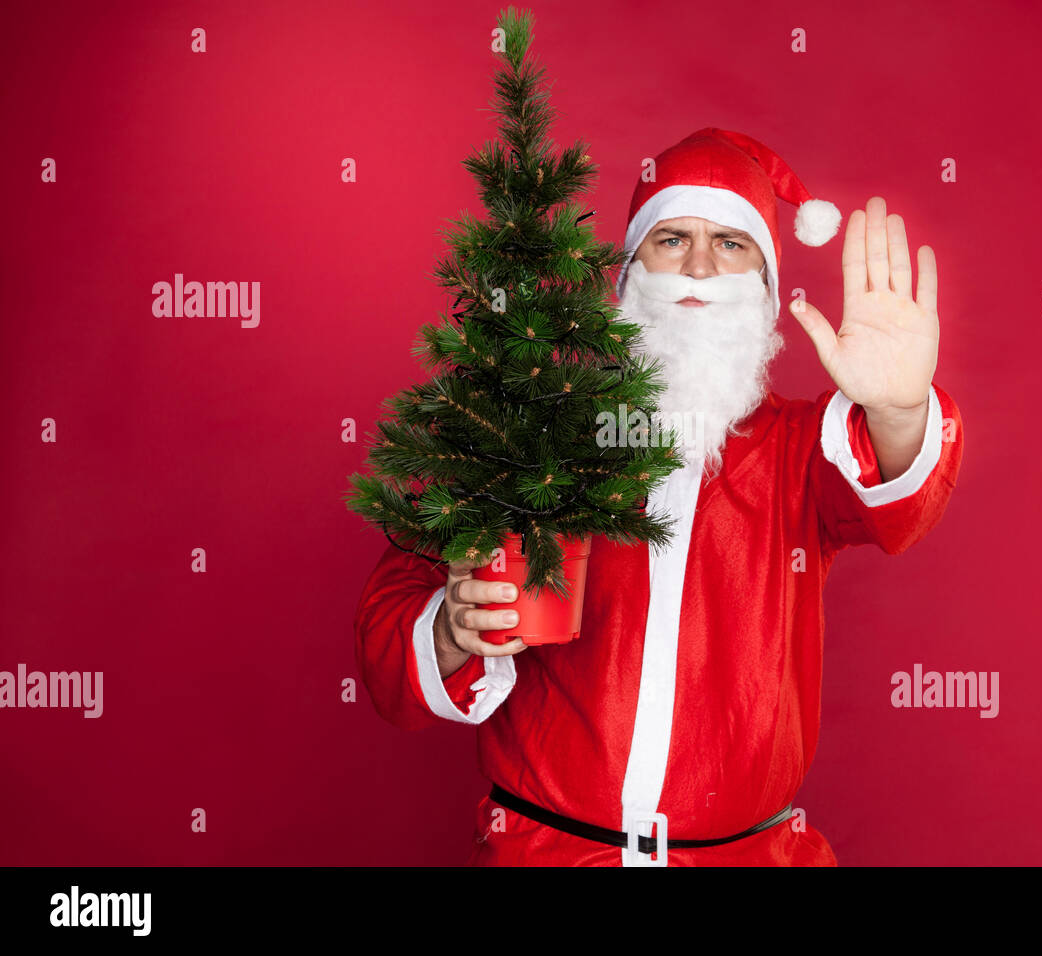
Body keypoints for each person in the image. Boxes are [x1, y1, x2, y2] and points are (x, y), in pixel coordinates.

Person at [353, 128, 964, 866]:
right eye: (672, 239)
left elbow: (898, 498)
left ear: (766, 287)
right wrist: (451, 629)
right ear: (628, 274)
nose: (700, 268)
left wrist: (899, 413)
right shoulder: (534, 430)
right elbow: (388, 645)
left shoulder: (803, 450)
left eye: (732, 244)